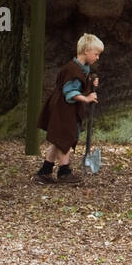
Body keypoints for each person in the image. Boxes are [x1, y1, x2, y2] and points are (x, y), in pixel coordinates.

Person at [34, 33, 103, 185]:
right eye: (96, 54)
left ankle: (44, 172)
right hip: (62, 109)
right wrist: (86, 98)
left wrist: (91, 82)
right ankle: (64, 172)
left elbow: (82, 82)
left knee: (58, 139)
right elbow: (70, 92)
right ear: (86, 51)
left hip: (66, 110)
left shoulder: (82, 68)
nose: (97, 57)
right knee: (65, 137)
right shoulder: (72, 70)